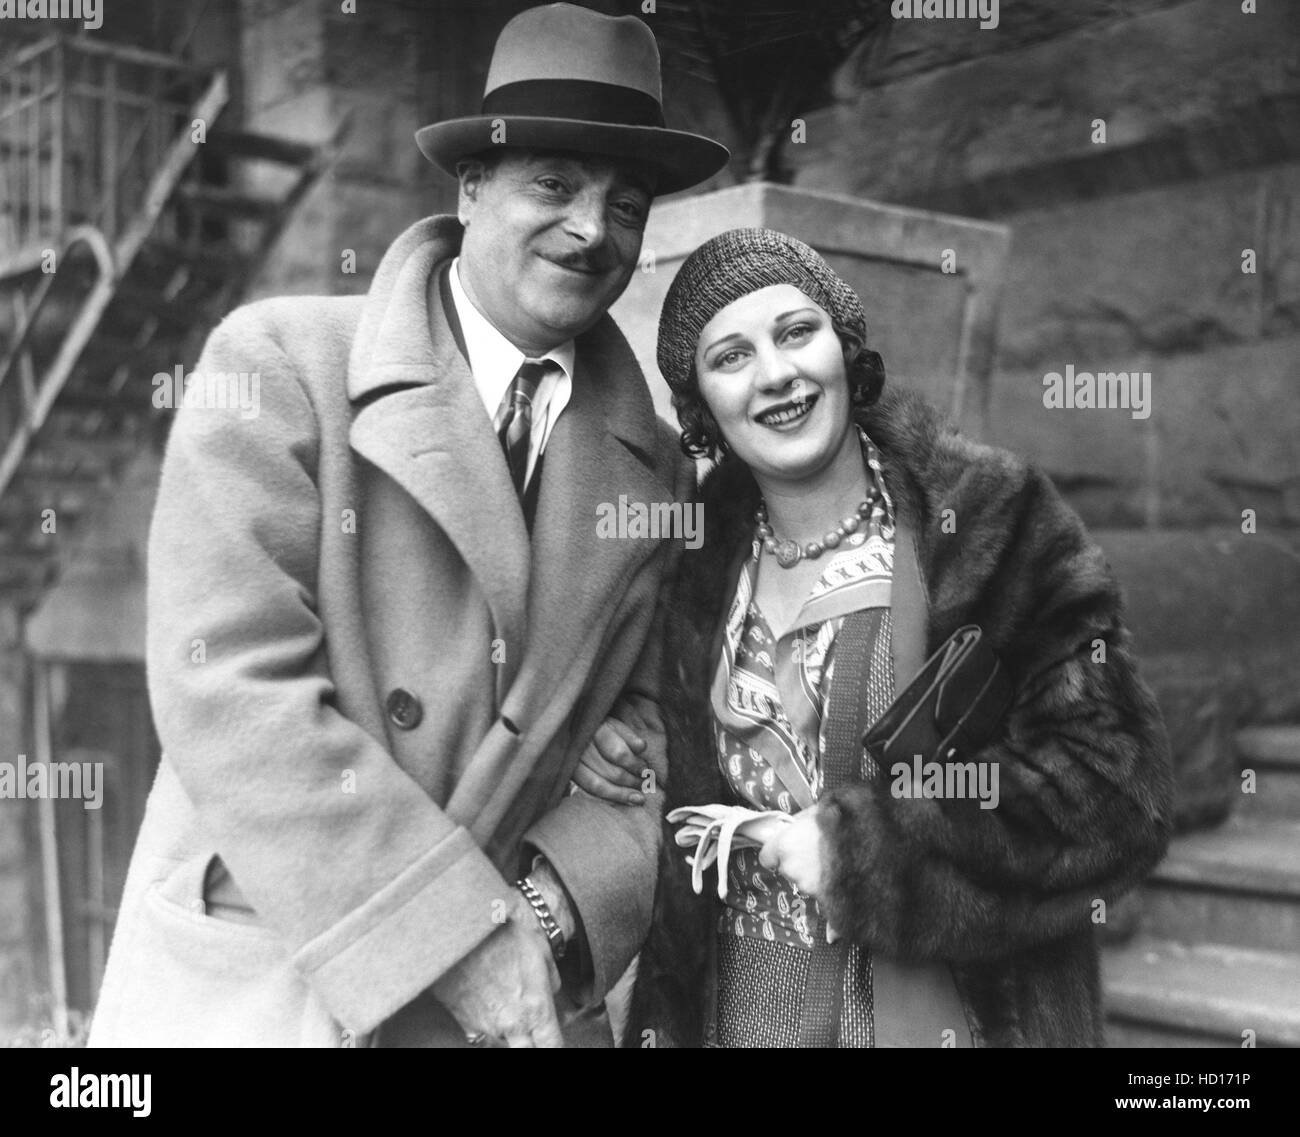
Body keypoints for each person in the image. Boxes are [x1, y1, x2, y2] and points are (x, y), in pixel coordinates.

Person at [88, 4, 728, 1049]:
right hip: (283, 967)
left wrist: (551, 914)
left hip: (517, 987)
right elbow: (229, 689)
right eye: (554, 184)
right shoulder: (280, 364)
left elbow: (652, 741)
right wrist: (444, 938)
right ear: (471, 186)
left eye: (626, 204)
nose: (590, 230)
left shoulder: (654, 462)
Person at [576, 228, 1174, 1047]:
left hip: (956, 1017)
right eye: (731, 356)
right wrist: (613, 742)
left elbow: (1114, 788)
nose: (777, 374)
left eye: (796, 332)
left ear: (844, 345)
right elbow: (651, 747)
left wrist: (866, 851)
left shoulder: (988, 522)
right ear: (700, 405)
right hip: (734, 1016)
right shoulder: (693, 559)